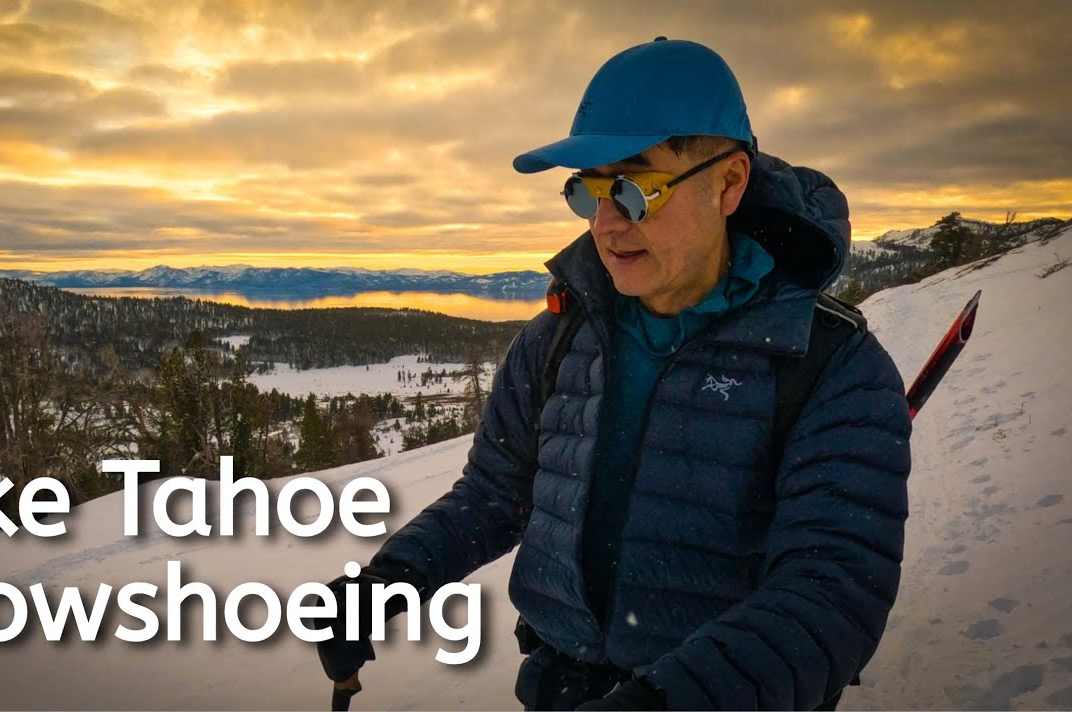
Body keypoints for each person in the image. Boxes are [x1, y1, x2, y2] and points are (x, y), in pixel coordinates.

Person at [313, 37, 912, 711]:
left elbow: (831, 595)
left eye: (633, 189)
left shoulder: (830, 367)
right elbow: (495, 494)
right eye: (588, 191)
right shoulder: (559, 340)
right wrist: (385, 584)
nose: (605, 225)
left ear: (729, 182)